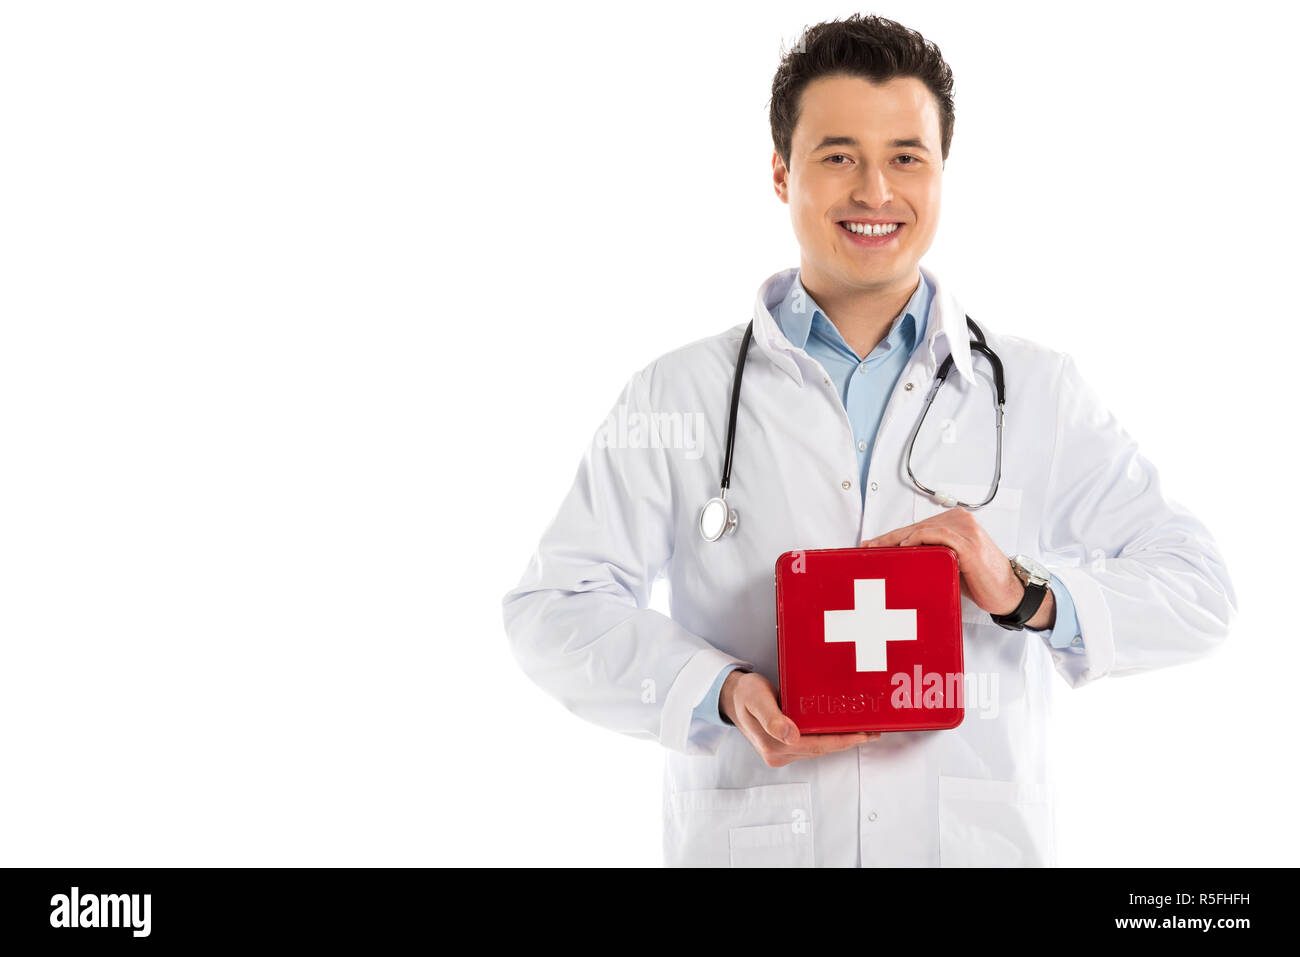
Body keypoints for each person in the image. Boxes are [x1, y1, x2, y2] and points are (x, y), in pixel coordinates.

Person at [501, 13, 1236, 867]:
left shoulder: (1035, 391)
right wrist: (719, 692)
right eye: (839, 155)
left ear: (942, 173)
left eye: (906, 158)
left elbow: (1199, 588)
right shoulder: (679, 395)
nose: (876, 193)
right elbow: (551, 610)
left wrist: (1027, 593)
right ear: (782, 174)